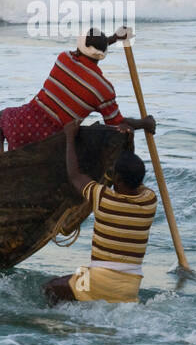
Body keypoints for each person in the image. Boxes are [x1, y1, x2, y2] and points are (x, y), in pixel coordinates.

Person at [44, 119, 159, 304]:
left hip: (97, 282)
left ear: (118, 180)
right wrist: (128, 144)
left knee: (51, 287)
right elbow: (131, 172)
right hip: (130, 288)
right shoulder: (149, 200)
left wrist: (69, 137)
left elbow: (74, 175)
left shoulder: (103, 198)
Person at [0, 28, 153, 151]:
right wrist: (145, 123)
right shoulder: (104, 89)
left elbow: (82, 51)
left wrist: (114, 38)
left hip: (20, 126)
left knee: (1, 116)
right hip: (52, 140)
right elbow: (117, 124)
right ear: (103, 53)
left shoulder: (64, 59)